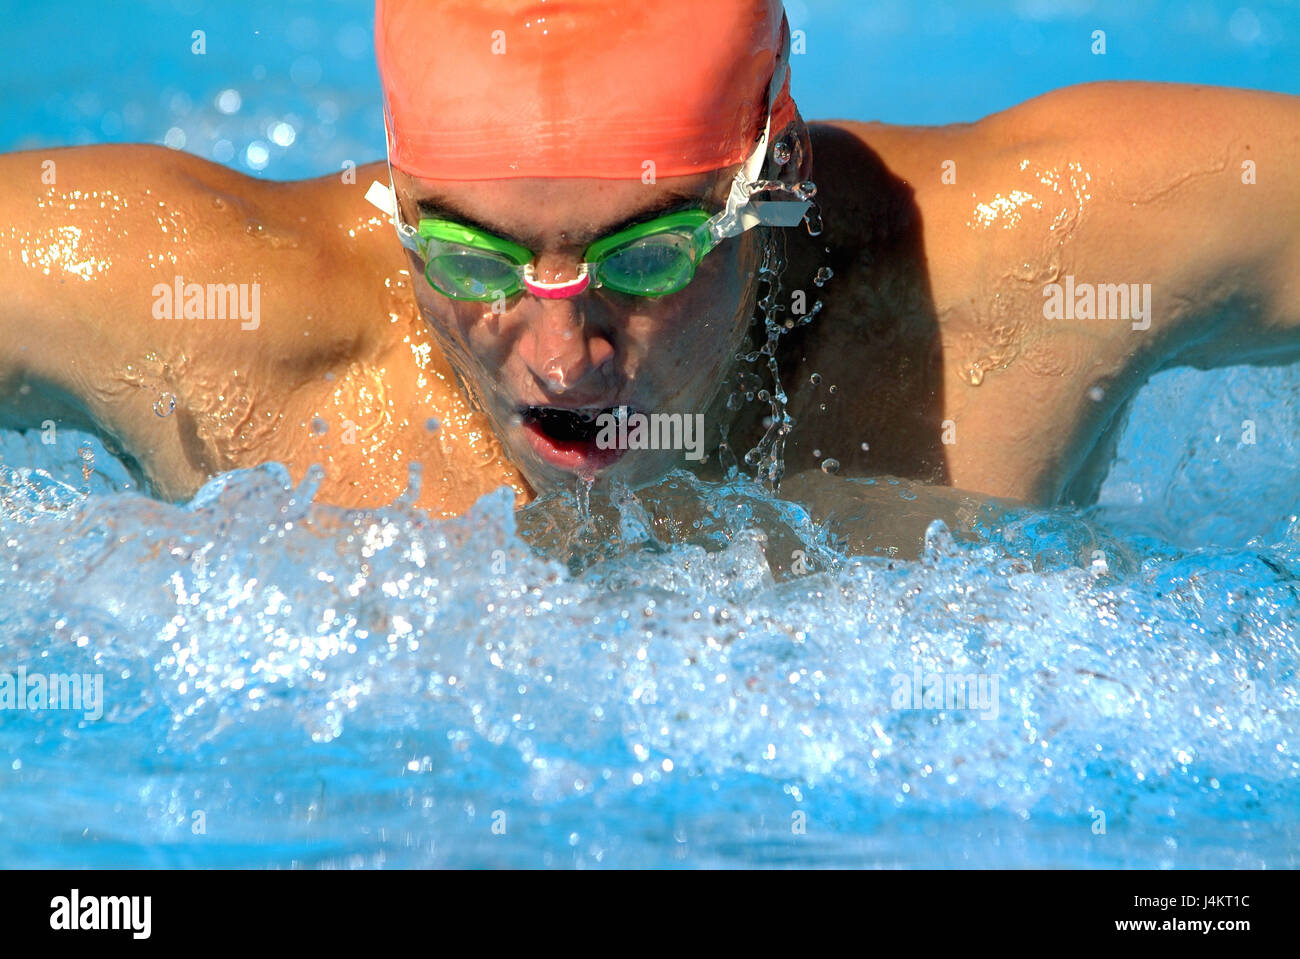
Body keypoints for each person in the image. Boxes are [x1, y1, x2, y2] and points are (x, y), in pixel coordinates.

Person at [1, 0, 1297, 521]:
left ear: (771, 175)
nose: (560, 356)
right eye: (468, 256)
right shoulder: (208, 325)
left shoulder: (1012, 273)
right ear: (401, 200)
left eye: (654, 251)